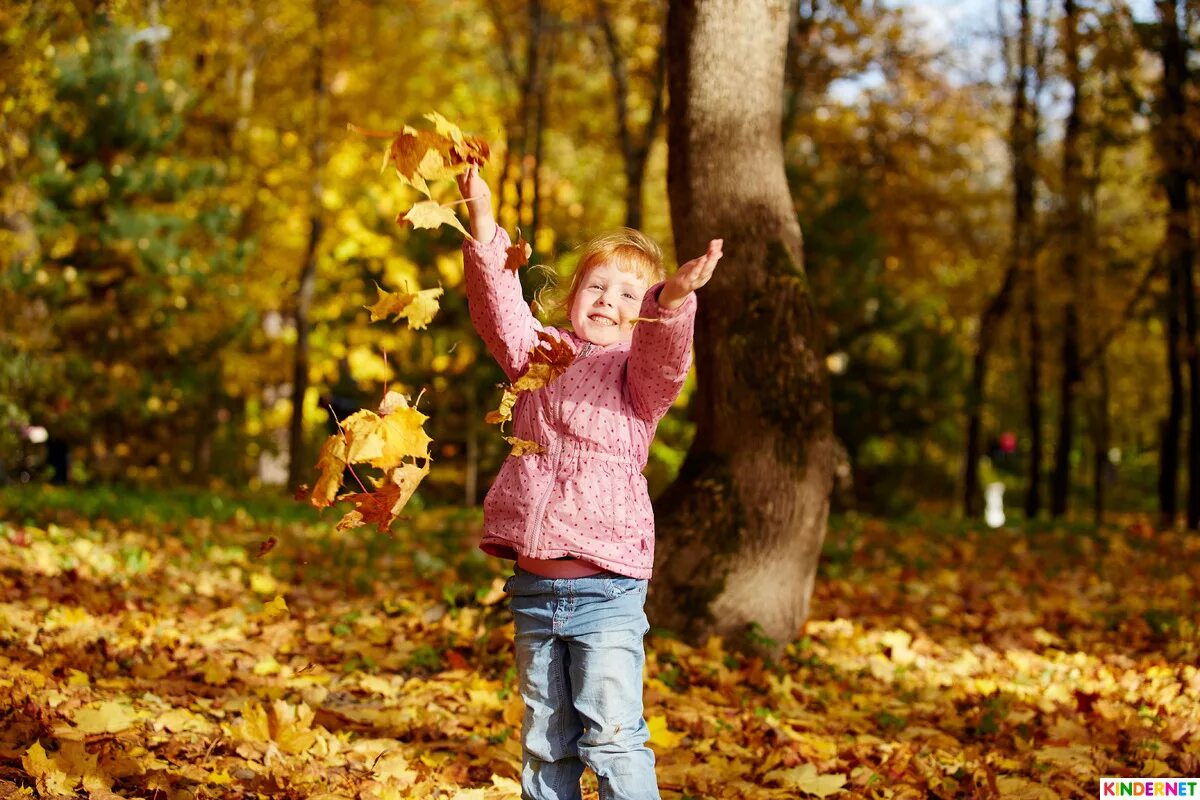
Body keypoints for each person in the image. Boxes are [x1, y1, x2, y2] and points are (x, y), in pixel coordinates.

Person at [456, 165, 721, 800]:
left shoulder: (639, 382)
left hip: (607, 594)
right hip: (533, 591)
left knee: (610, 735)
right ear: (573, 295)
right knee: (546, 743)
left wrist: (674, 300)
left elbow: (665, 353)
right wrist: (484, 224)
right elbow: (500, 313)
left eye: (630, 295)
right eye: (597, 286)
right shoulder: (537, 356)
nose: (609, 300)